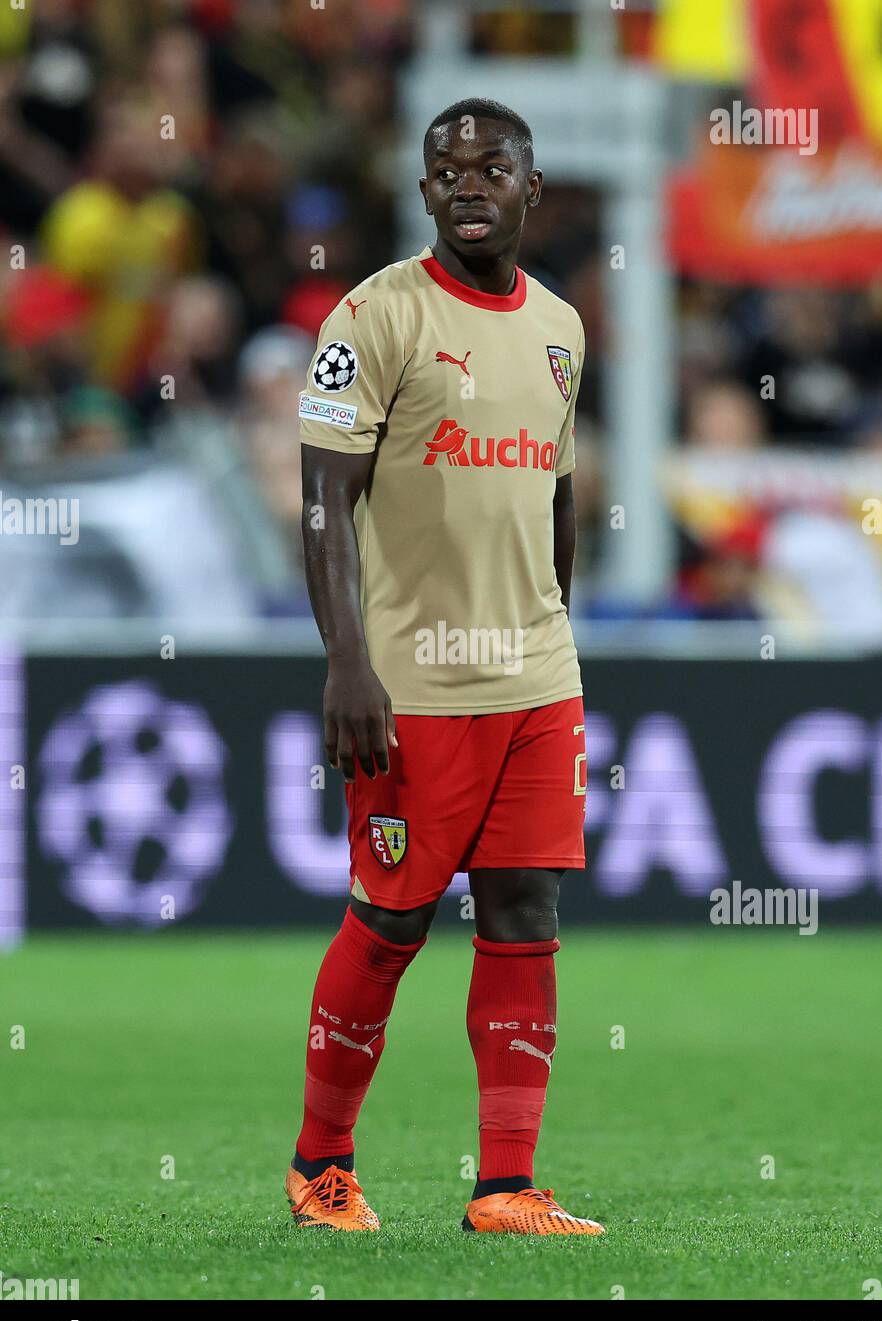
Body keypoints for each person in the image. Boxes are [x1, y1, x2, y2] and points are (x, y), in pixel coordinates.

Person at [286, 97, 603, 1235]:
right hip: (413, 684)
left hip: (537, 680)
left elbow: (555, 492)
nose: (469, 184)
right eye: (446, 170)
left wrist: (558, 621)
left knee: (525, 910)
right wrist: (347, 664)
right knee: (392, 921)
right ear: (422, 192)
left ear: (531, 184)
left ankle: (506, 1186)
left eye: (492, 167)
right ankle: (320, 1164)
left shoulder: (563, 328)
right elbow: (325, 501)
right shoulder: (371, 318)